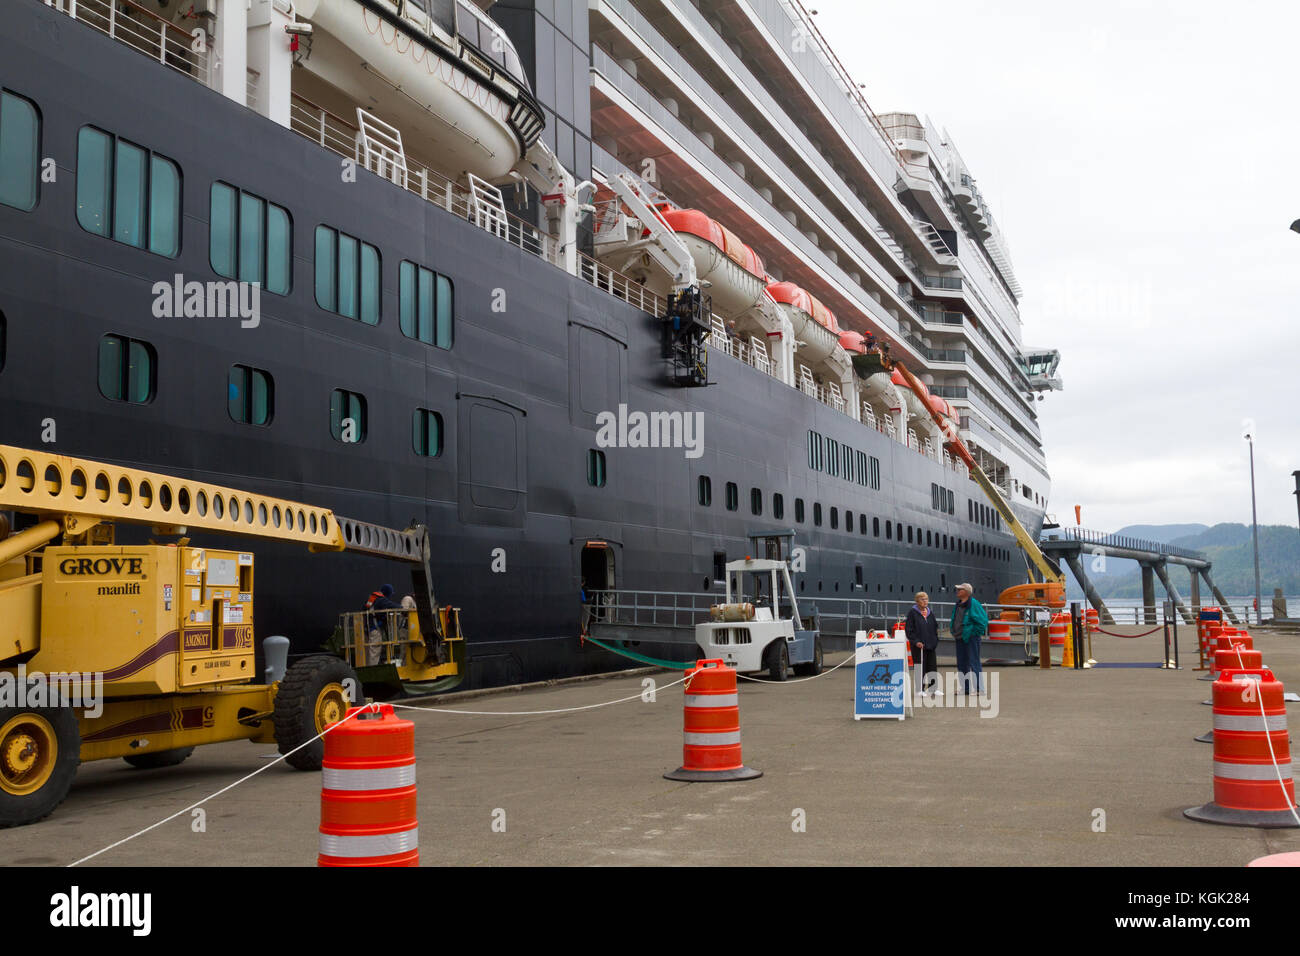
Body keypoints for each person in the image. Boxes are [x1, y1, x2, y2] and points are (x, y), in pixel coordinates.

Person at [950, 582, 988, 696]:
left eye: (960, 589)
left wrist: (973, 632)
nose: (957, 591)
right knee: (961, 663)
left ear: (966, 592)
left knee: (974, 662)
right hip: (959, 637)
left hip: (971, 638)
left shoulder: (973, 604)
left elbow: (983, 621)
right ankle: (965, 688)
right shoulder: (958, 604)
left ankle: (979, 689)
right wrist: (953, 630)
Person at [905, 591, 941, 697]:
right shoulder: (912, 613)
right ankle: (919, 689)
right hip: (919, 646)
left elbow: (935, 627)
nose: (925, 601)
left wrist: (935, 641)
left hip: (931, 645)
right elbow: (909, 630)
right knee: (920, 667)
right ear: (917, 601)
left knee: (932, 666)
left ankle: (933, 688)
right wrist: (916, 642)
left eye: (926, 599)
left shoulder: (930, 613)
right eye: (922, 599)